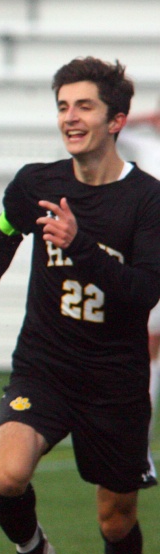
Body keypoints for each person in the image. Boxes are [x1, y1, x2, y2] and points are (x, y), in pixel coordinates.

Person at [0, 57, 160, 554]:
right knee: (7, 474)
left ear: (117, 119)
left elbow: (143, 294)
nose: (70, 117)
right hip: (46, 363)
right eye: (63, 106)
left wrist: (80, 244)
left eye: (84, 106)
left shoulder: (148, 201)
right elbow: (3, 234)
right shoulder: (37, 182)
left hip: (115, 378)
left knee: (115, 519)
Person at [118, 104, 160, 440]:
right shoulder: (148, 147)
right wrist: (146, 118)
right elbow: (112, 127)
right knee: (148, 342)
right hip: (151, 254)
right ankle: (137, 432)